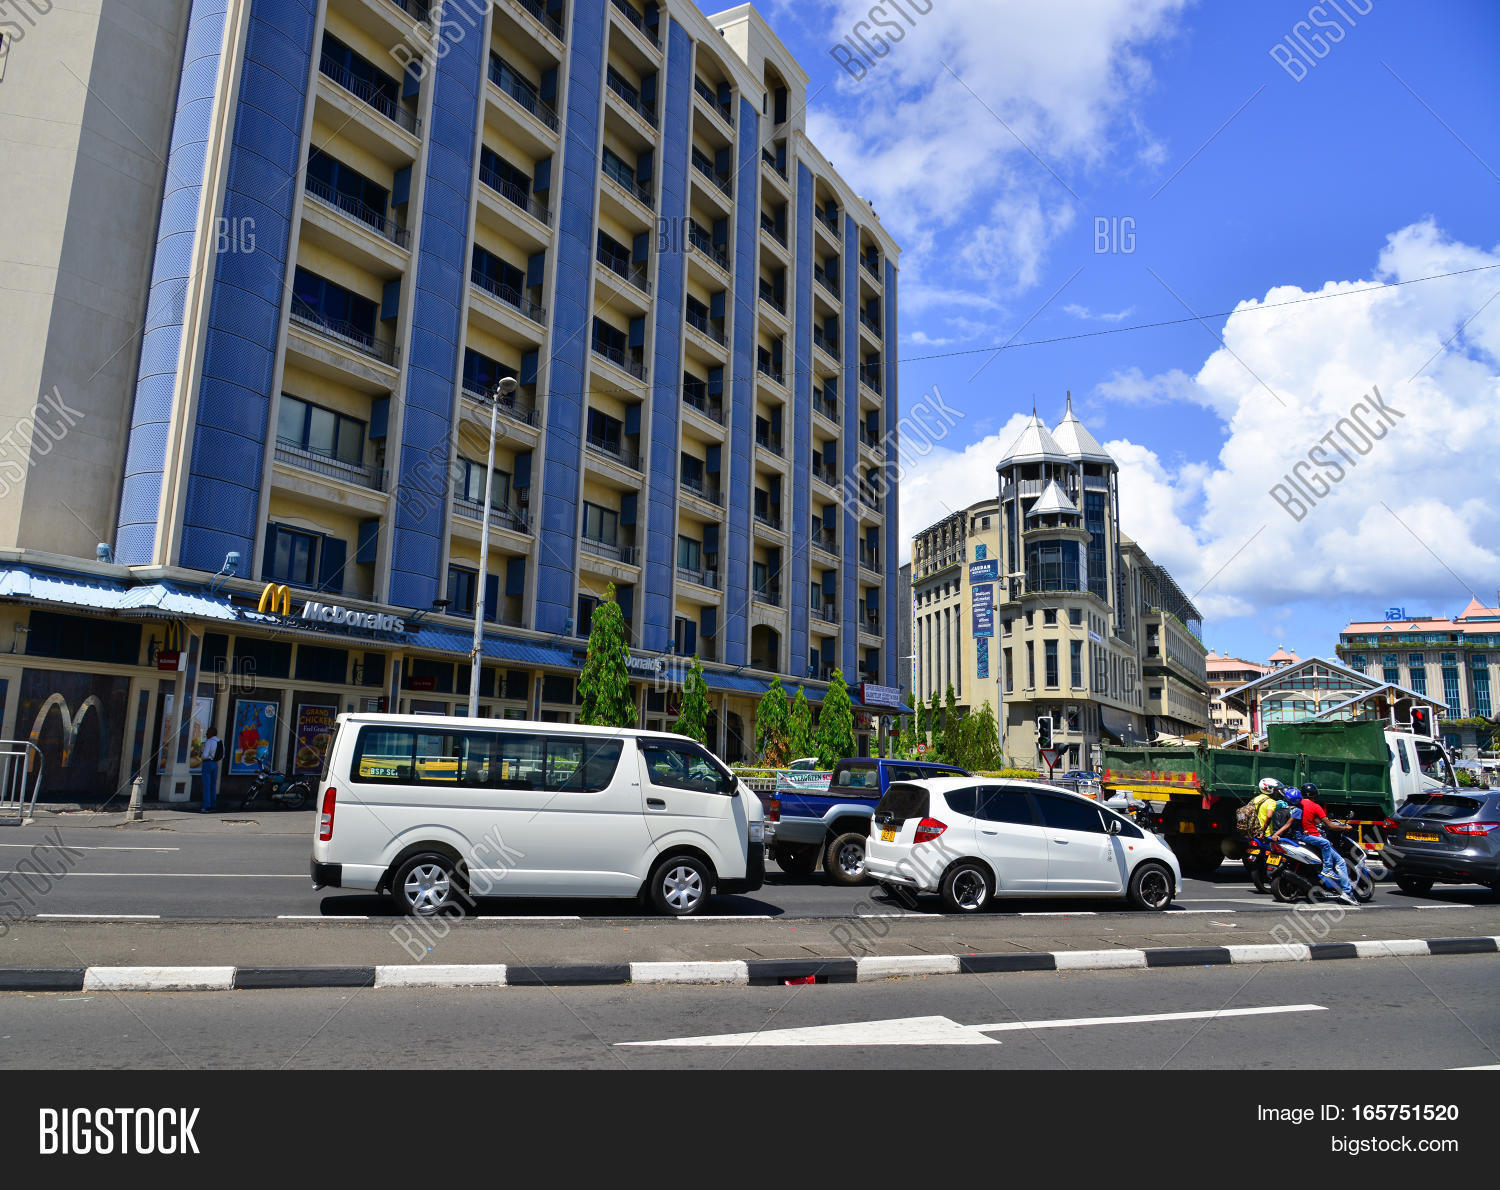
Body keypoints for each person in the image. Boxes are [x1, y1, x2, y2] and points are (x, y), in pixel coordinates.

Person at [1272, 787, 1354, 904]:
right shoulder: (1313, 807)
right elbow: (1329, 826)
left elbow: (1291, 823)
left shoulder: (1297, 806)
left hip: (1298, 838)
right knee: (1339, 860)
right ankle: (1345, 889)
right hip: (1310, 836)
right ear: (1314, 795)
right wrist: (1346, 827)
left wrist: (1276, 834)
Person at [200, 725, 223, 813]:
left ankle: (206, 806)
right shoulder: (220, 741)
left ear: (211, 733)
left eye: (208, 732)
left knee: (206, 785)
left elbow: (205, 755)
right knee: (213, 785)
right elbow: (222, 754)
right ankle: (213, 805)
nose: (206, 733)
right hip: (215, 764)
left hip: (208, 763)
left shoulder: (209, 741)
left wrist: (201, 756)